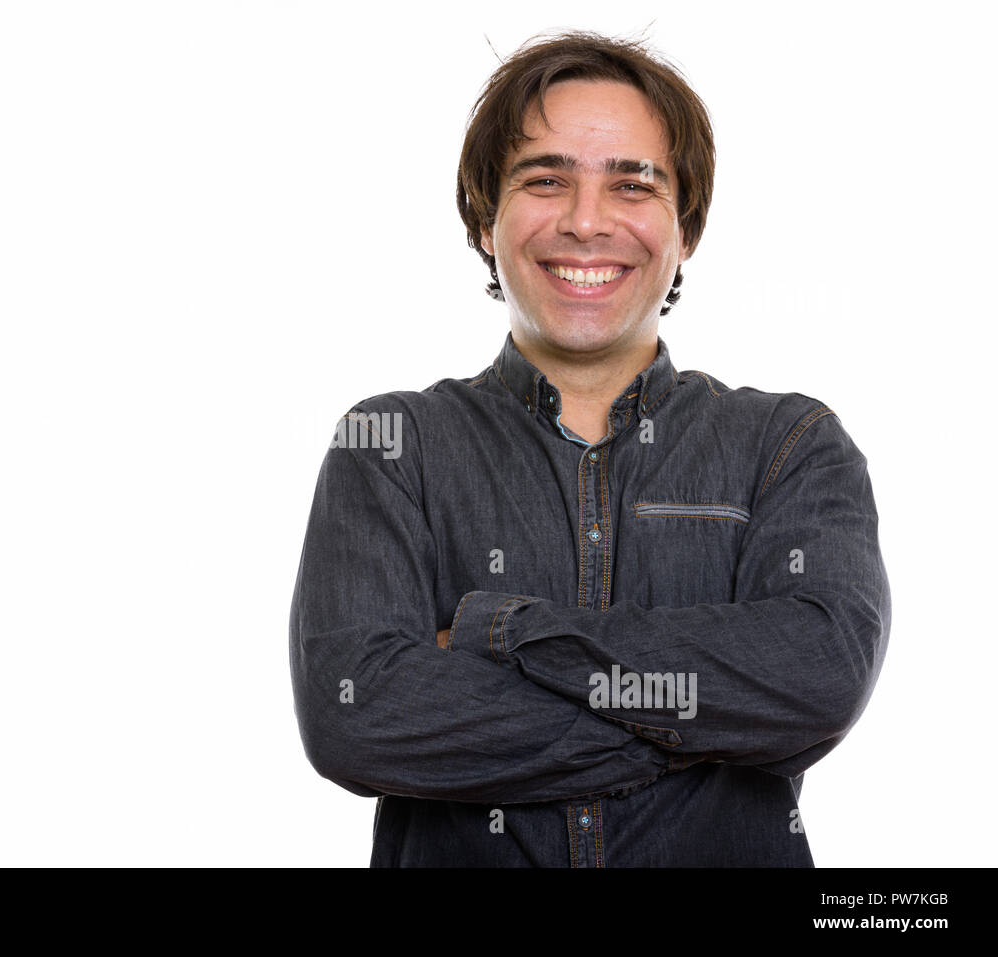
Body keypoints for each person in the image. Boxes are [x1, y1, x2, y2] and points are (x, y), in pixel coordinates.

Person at [288, 30, 890, 867]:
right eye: (546, 179)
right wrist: (707, 726)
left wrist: (495, 631)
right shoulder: (391, 448)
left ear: (685, 226)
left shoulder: (790, 445)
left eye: (632, 184)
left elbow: (818, 673)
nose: (584, 221)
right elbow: (355, 719)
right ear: (484, 216)